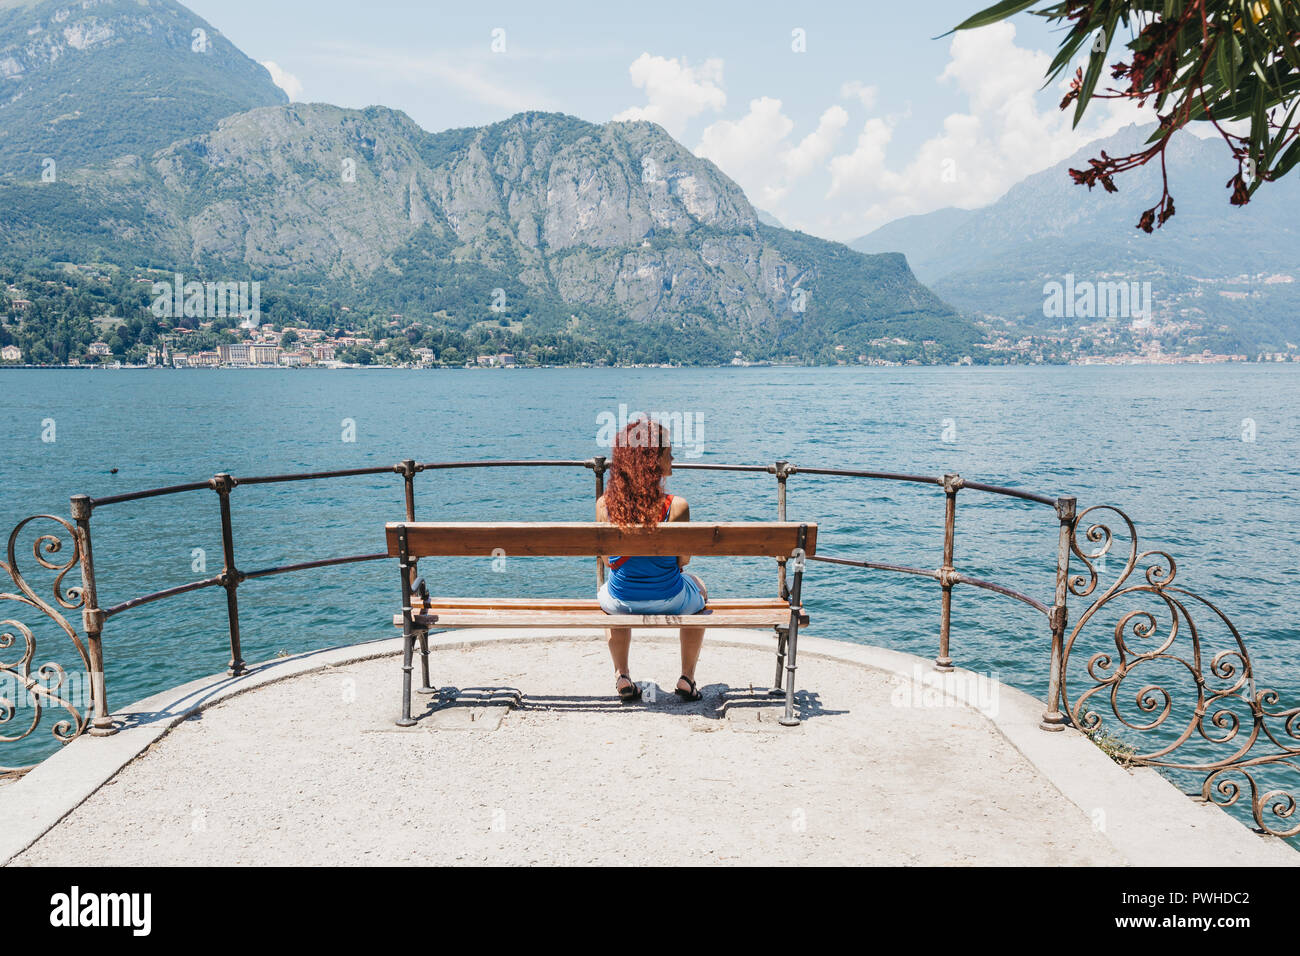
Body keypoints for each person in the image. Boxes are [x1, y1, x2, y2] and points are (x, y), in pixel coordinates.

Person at [596, 417, 708, 703]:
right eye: (667, 451)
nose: (672, 455)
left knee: (609, 598)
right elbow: (685, 559)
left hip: (621, 600)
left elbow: (609, 559)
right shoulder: (677, 507)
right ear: (650, 460)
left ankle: (622, 676)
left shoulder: (604, 505)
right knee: (700, 589)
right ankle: (687, 678)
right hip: (669, 598)